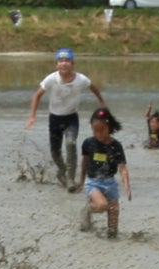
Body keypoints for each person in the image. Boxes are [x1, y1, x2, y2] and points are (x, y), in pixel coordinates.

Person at [25, 48, 105, 190]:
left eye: (67, 61)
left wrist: (101, 102)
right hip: (54, 119)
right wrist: (32, 116)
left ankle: (70, 179)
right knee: (55, 152)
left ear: (72, 63)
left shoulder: (81, 79)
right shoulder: (51, 79)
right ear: (56, 64)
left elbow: (93, 88)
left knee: (71, 144)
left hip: (71, 118)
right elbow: (37, 95)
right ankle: (62, 170)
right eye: (61, 61)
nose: (64, 64)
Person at [75, 107, 131, 240]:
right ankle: (87, 209)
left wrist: (127, 185)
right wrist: (81, 180)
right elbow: (84, 163)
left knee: (113, 218)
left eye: (102, 130)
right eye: (95, 130)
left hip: (110, 183)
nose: (98, 134)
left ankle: (112, 245)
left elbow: (122, 168)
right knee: (102, 205)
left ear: (110, 127)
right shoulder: (88, 143)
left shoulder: (116, 146)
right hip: (93, 182)